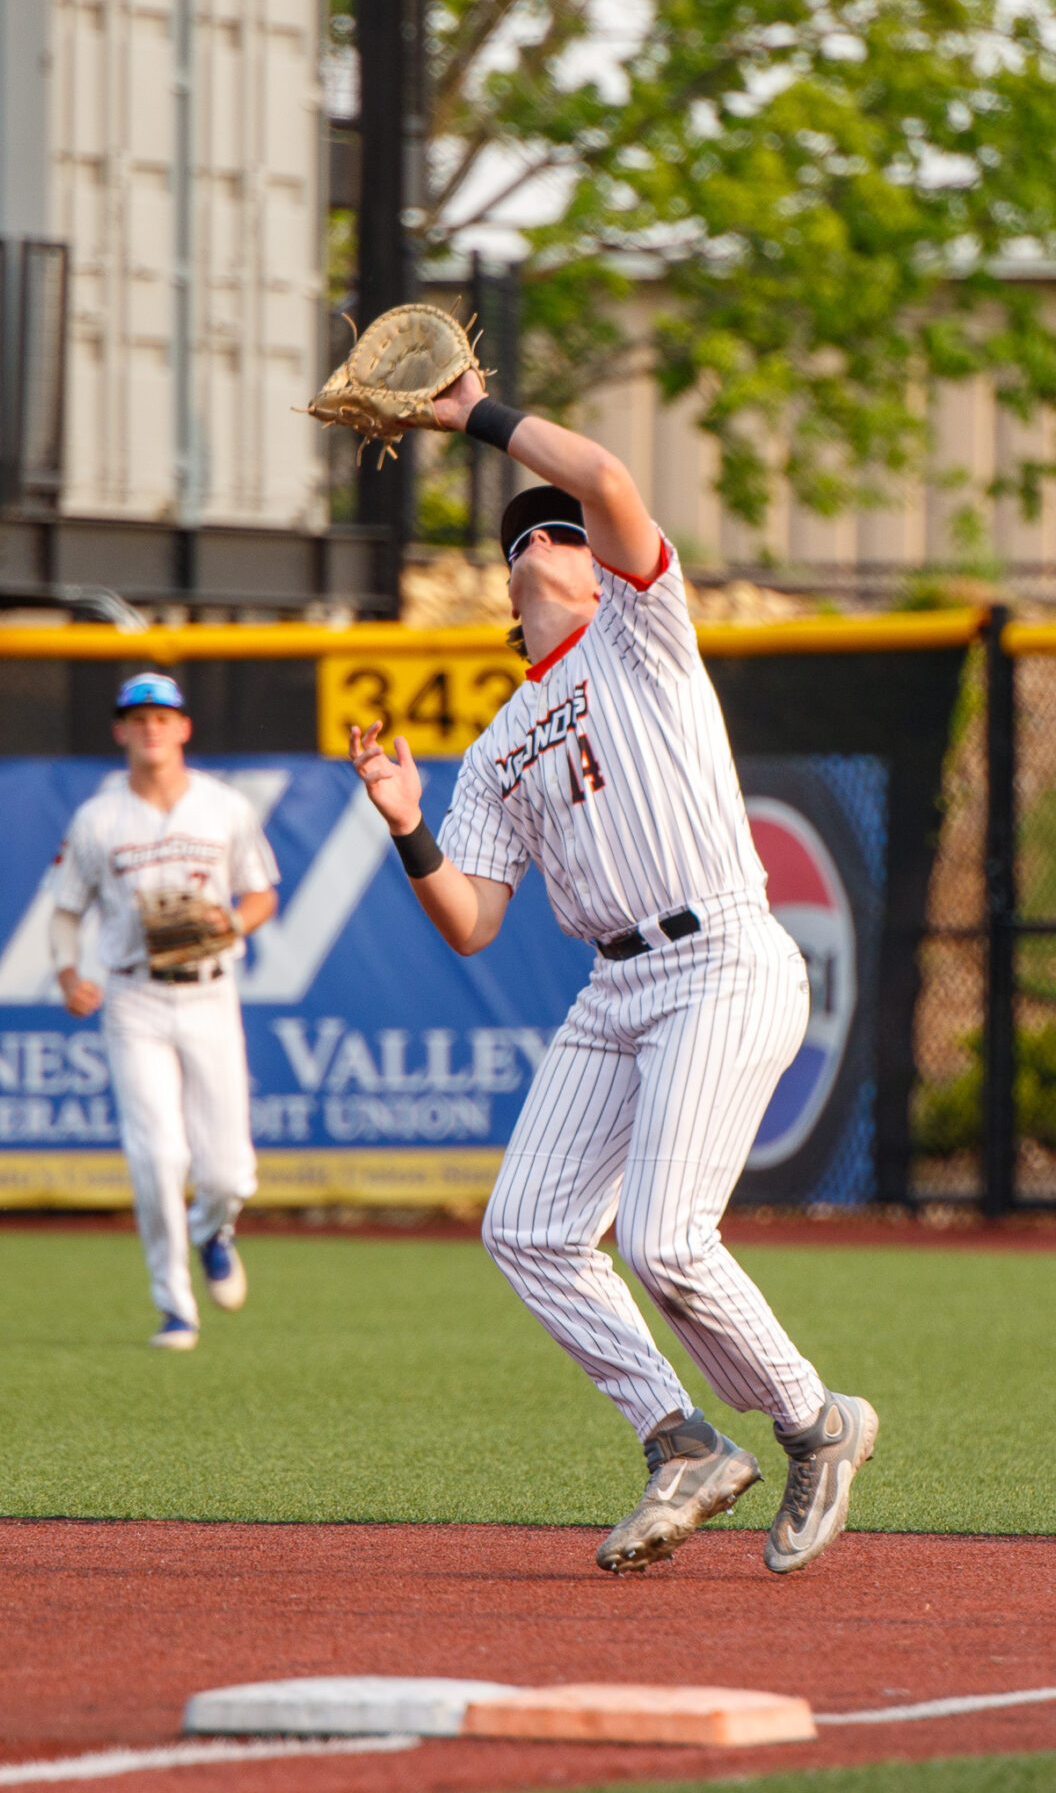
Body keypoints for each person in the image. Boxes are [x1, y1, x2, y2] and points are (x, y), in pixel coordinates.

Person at [349, 380, 878, 1575]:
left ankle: (816, 1425)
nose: (545, 539)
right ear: (512, 590)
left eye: (562, 531)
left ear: (600, 571)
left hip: (725, 955)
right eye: (522, 536)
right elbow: (473, 924)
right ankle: (679, 1439)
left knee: (664, 1237)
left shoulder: (645, 633)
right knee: (527, 1227)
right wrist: (407, 826)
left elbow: (610, 483)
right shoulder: (490, 751)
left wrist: (473, 416)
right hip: (615, 988)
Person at [50, 672, 278, 1350]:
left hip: (208, 990)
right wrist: (69, 971)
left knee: (229, 1171)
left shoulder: (222, 807)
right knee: (157, 1157)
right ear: (121, 730)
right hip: (135, 996)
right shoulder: (98, 818)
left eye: (162, 716)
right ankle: (175, 1306)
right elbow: (65, 911)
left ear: (183, 728)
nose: (151, 727)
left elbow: (262, 893)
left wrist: (233, 926)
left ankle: (213, 1224)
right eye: (137, 717)